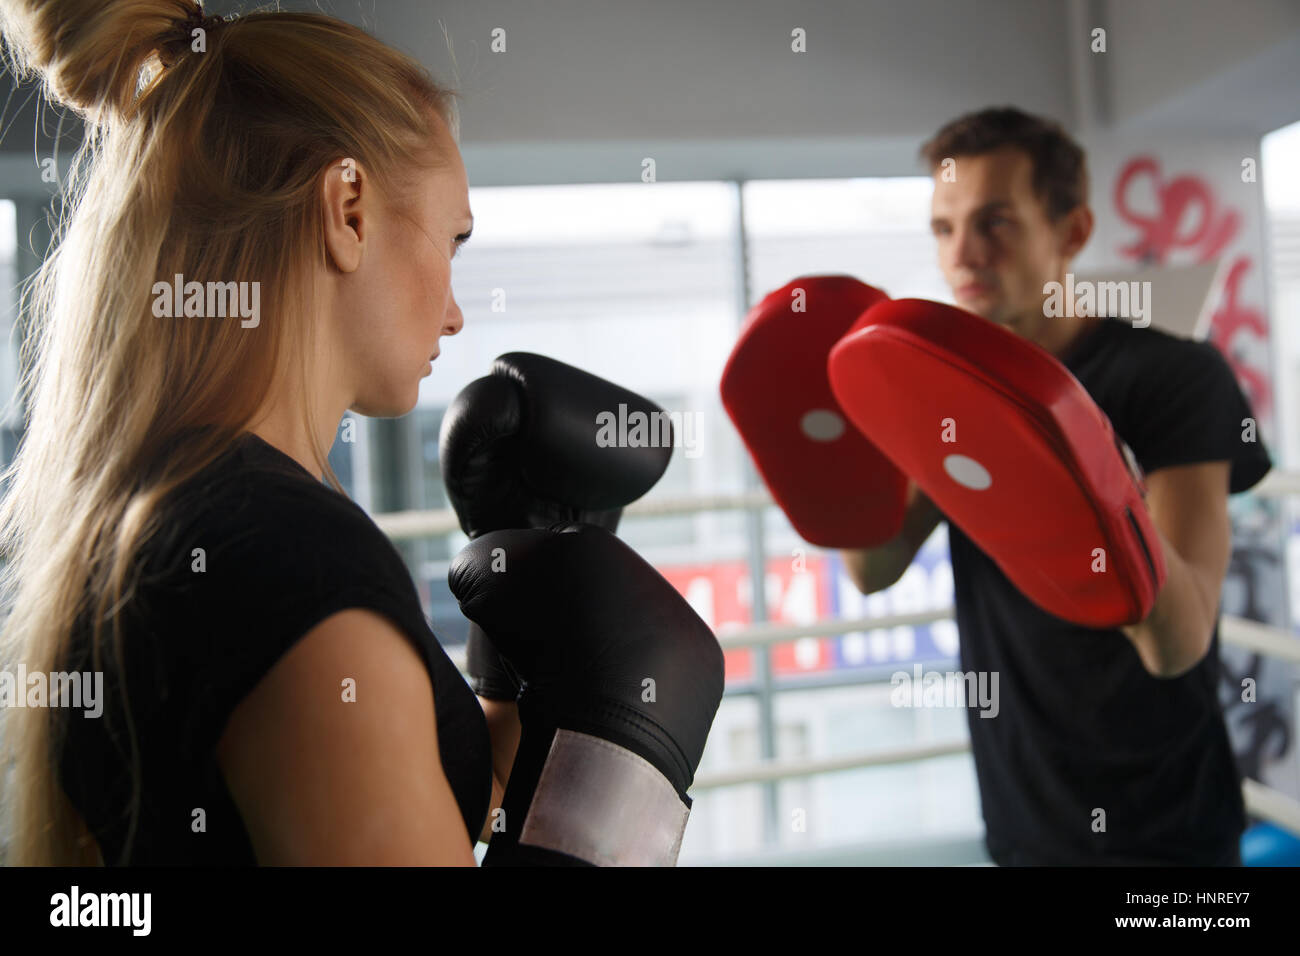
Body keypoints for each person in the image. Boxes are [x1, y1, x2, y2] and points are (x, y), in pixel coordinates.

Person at [0, 0, 722, 867]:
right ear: (348, 209)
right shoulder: (285, 556)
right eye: (452, 241)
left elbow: (424, 817)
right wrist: (623, 772)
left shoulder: (201, 515)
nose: (455, 314)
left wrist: (522, 670)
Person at [839, 107, 1272, 865]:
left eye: (994, 222)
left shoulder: (1172, 377)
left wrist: (1085, 461)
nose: (963, 255)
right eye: (943, 229)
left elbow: (1179, 642)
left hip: (1169, 831)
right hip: (1022, 823)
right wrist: (841, 444)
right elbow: (874, 571)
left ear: (1071, 232)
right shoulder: (952, 393)